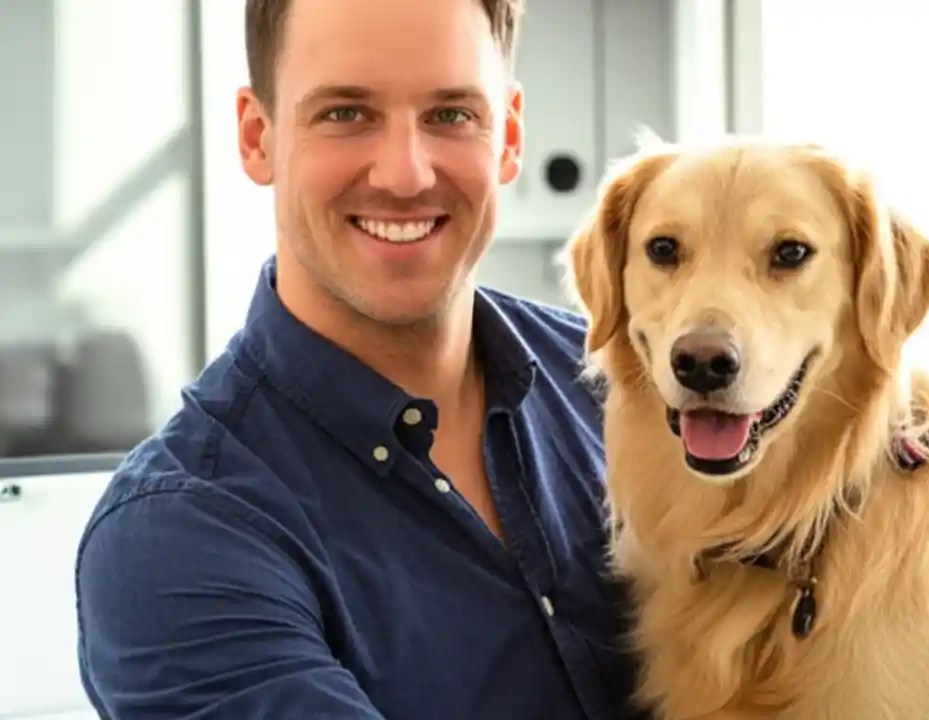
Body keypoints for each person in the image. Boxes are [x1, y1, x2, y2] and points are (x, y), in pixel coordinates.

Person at [74, 0, 642, 717]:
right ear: (257, 136)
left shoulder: (630, 391)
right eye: (346, 113)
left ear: (509, 134)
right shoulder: (178, 539)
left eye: (450, 115)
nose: (405, 175)